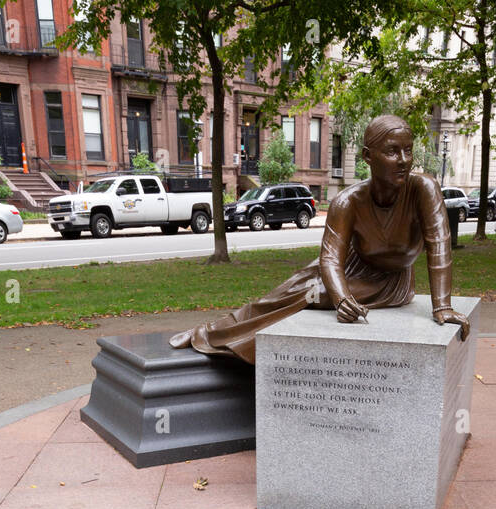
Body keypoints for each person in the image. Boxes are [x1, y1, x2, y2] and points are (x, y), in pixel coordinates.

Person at [169, 114, 469, 365]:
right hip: (345, 267)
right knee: (284, 293)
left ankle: (241, 344)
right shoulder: (347, 201)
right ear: (367, 156)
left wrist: (442, 306)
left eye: (408, 150)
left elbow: (439, 245)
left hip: (390, 281)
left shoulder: (424, 188)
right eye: (392, 151)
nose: (403, 160)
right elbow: (330, 259)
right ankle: (210, 332)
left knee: (311, 298)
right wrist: (342, 297)